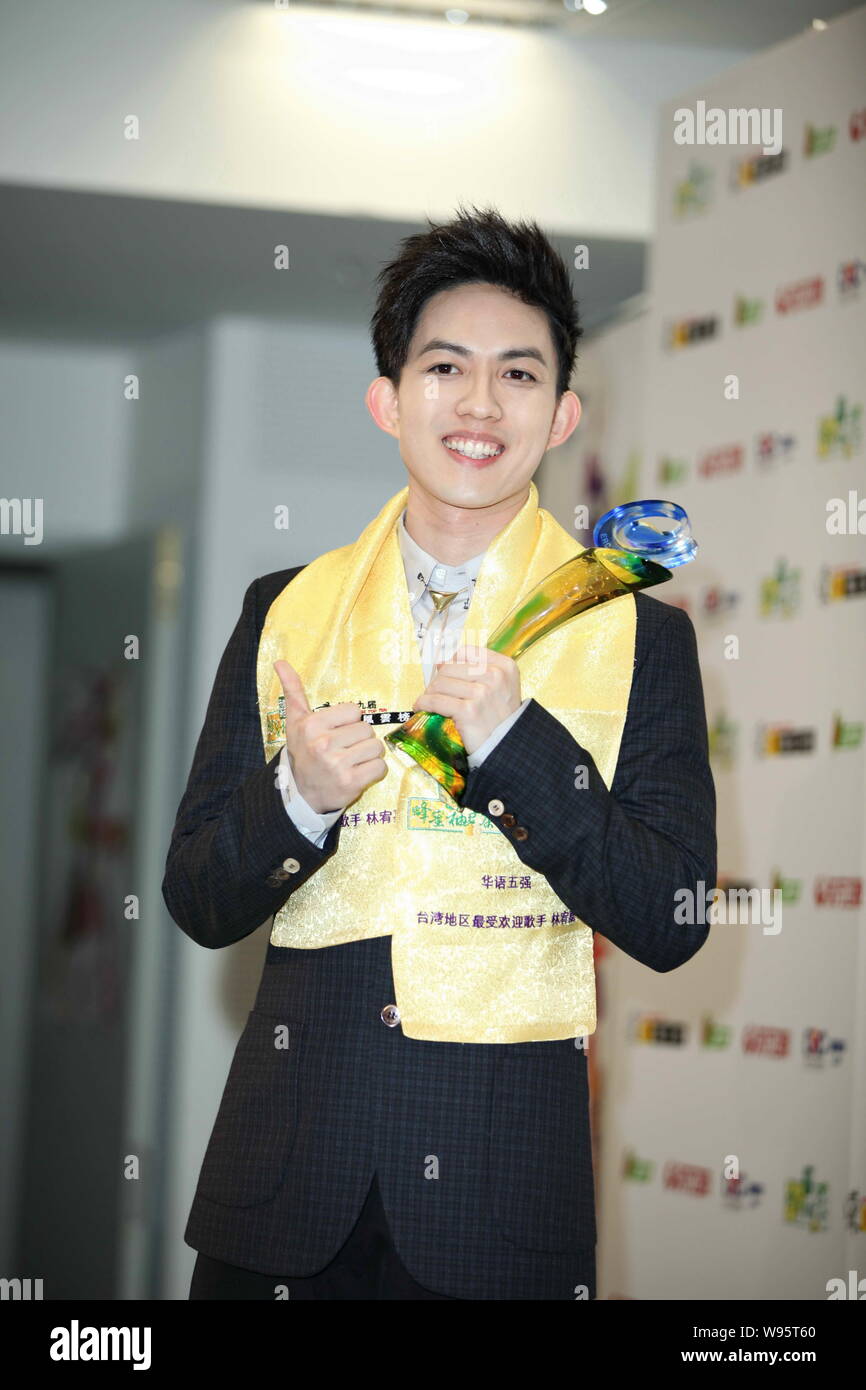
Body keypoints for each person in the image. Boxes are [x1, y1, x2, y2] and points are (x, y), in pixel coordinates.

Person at [162, 204, 716, 1301]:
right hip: (279, 1199)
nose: (476, 404)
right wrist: (297, 799)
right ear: (387, 399)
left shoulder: (638, 633)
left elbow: (674, 917)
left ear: (561, 414)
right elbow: (196, 897)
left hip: (498, 1210)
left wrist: (516, 750)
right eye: (443, 367)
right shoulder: (283, 611)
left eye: (517, 375)